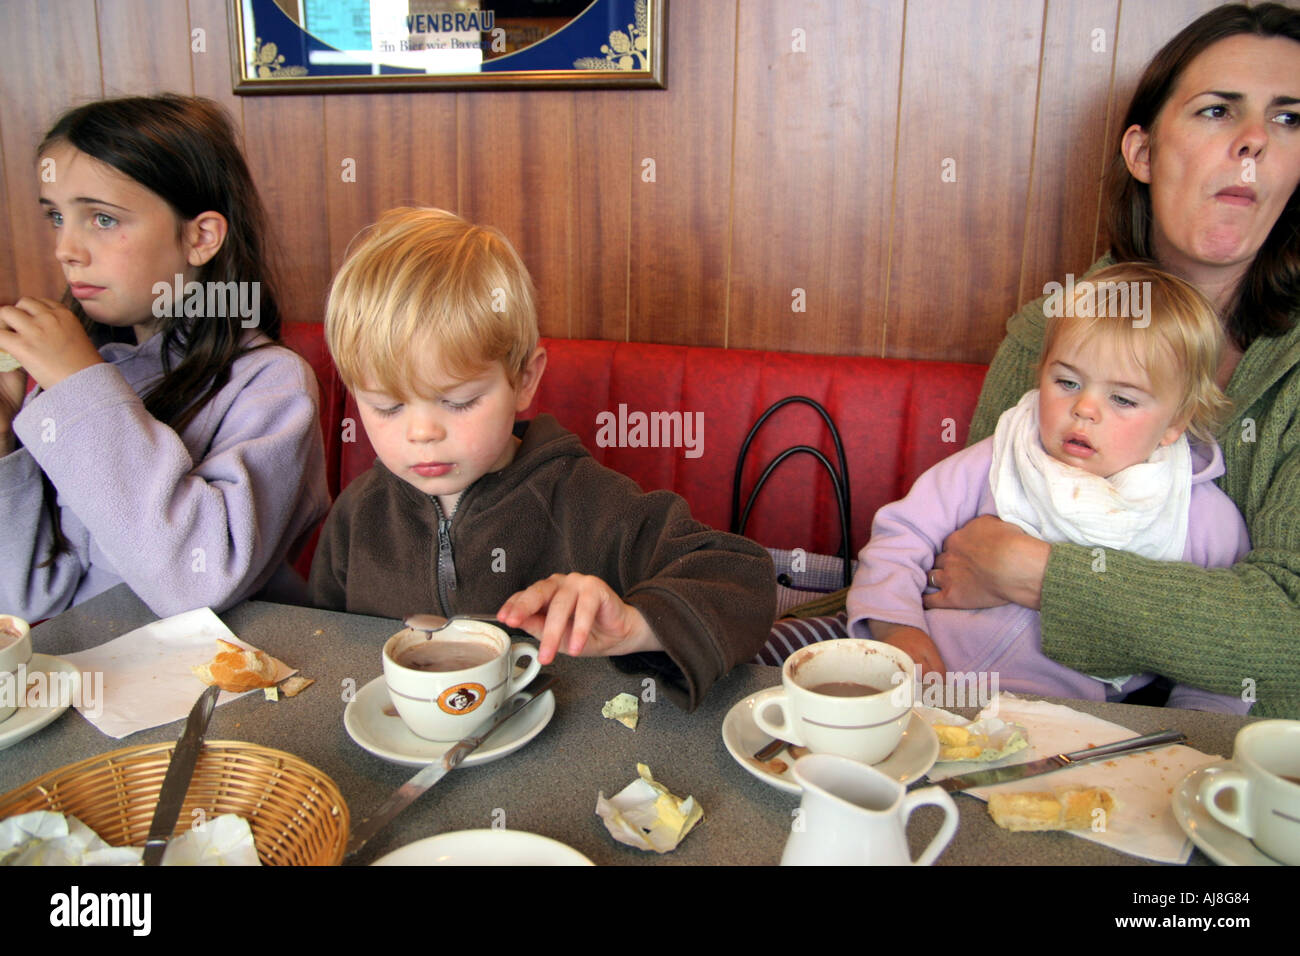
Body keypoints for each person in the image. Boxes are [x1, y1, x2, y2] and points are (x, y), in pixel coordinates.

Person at [928, 3, 1300, 718]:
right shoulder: (1045, 332)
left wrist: (1038, 575)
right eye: (1219, 111)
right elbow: (970, 553)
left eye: (1289, 119)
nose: (1254, 141)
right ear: (1144, 153)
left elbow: (1286, 643)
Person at [308, 207, 775, 709]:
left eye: (458, 401)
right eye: (387, 406)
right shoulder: (358, 515)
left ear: (525, 380)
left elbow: (744, 582)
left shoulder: (589, 503)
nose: (421, 432)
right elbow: (321, 641)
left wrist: (636, 623)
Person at [850, 264, 1250, 713]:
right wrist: (896, 627)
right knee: (778, 662)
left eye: (1122, 399)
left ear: (1175, 423)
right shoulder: (998, 457)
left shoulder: (1201, 518)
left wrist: (1194, 735)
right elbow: (900, 538)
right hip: (917, 677)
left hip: (1056, 720)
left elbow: (1219, 656)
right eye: (1067, 382)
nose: (1084, 409)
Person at [0, 95, 329, 619]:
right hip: (91, 678)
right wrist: (5, 444)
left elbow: (198, 582)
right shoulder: (71, 382)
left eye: (102, 219)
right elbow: (24, 598)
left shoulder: (269, 382)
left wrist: (79, 384)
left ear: (199, 237)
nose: (66, 247)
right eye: (57, 217)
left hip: (225, 679)